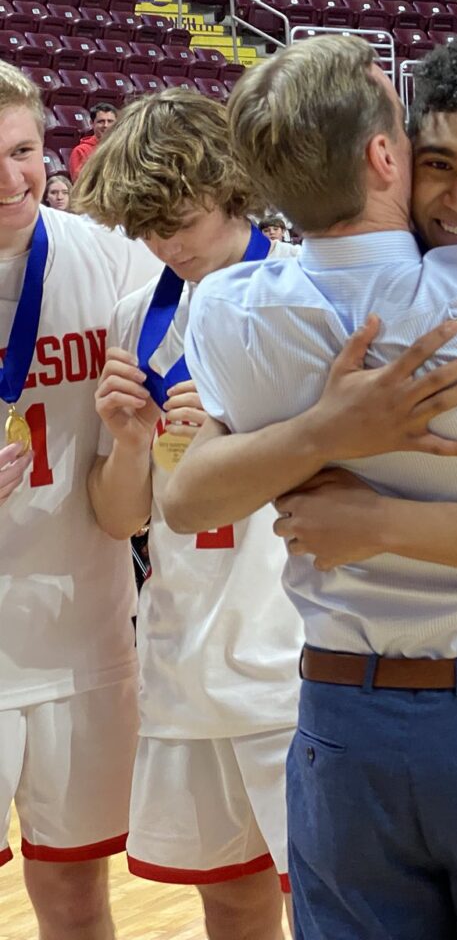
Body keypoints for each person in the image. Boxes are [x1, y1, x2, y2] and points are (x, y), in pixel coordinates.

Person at [160, 34, 457, 938]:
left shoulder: (226, 308)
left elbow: (188, 500)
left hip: (342, 717)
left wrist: (323, 433)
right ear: (388, 158)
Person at [73, 89, 301, 940]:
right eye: (147, 230)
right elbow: (120, 519)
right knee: (229, 900)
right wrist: (130, 442)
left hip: (292, 654)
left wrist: (246, 437)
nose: (167, 245)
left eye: (182, 221)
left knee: (327, 898)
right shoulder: (137, 316)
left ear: (232, 188)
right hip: (184, 652)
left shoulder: (305, 290)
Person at [0, 60, 163, 940]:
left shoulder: (113, 261)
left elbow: (126, 506)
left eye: (22, 151)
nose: (9, 179)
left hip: (81, 638)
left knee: (74, 898)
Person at [69, 101, 118, 177]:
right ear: (92, 123)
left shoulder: (122, 148)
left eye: (110, 121)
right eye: (101, 121)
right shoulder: (80, 151)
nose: (106, 125)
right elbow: (80, 181)